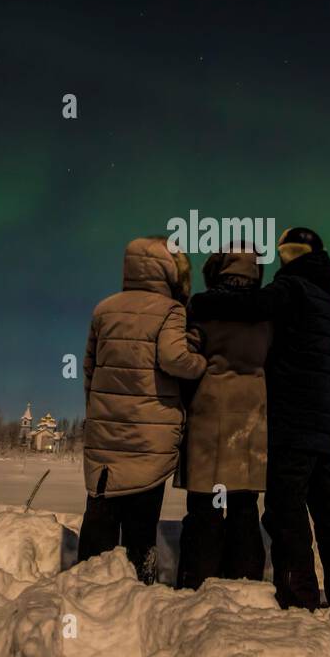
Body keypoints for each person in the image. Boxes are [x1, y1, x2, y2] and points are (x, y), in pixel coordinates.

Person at [187, 227, 330, 610]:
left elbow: (247, 306)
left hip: (291, 421)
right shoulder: (328, 300)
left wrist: (201, 303)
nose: (286, 257)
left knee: (286, 512)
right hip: (323, 424)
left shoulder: (292, 290)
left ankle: (297, 596)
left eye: (293, 250)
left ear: (307, 255)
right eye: (284, 249)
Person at [79, 236, 207, 583]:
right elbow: (174, 358)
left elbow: (89, 370)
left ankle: (86, 583)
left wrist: (99, 410)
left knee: (100, 512)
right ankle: (138, 583)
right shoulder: (169, 311)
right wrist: (200, 362)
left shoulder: (104, 309)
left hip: (106, 433)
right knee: (141, 519)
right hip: (148, 436)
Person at [175, 246, 273, 589]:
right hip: (252, 420)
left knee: (206, 505)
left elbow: (186, 358)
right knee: (244, 505)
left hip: (210, 415)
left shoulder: (202, 307)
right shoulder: (267, 313)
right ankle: (245, 582)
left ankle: (197, 581)